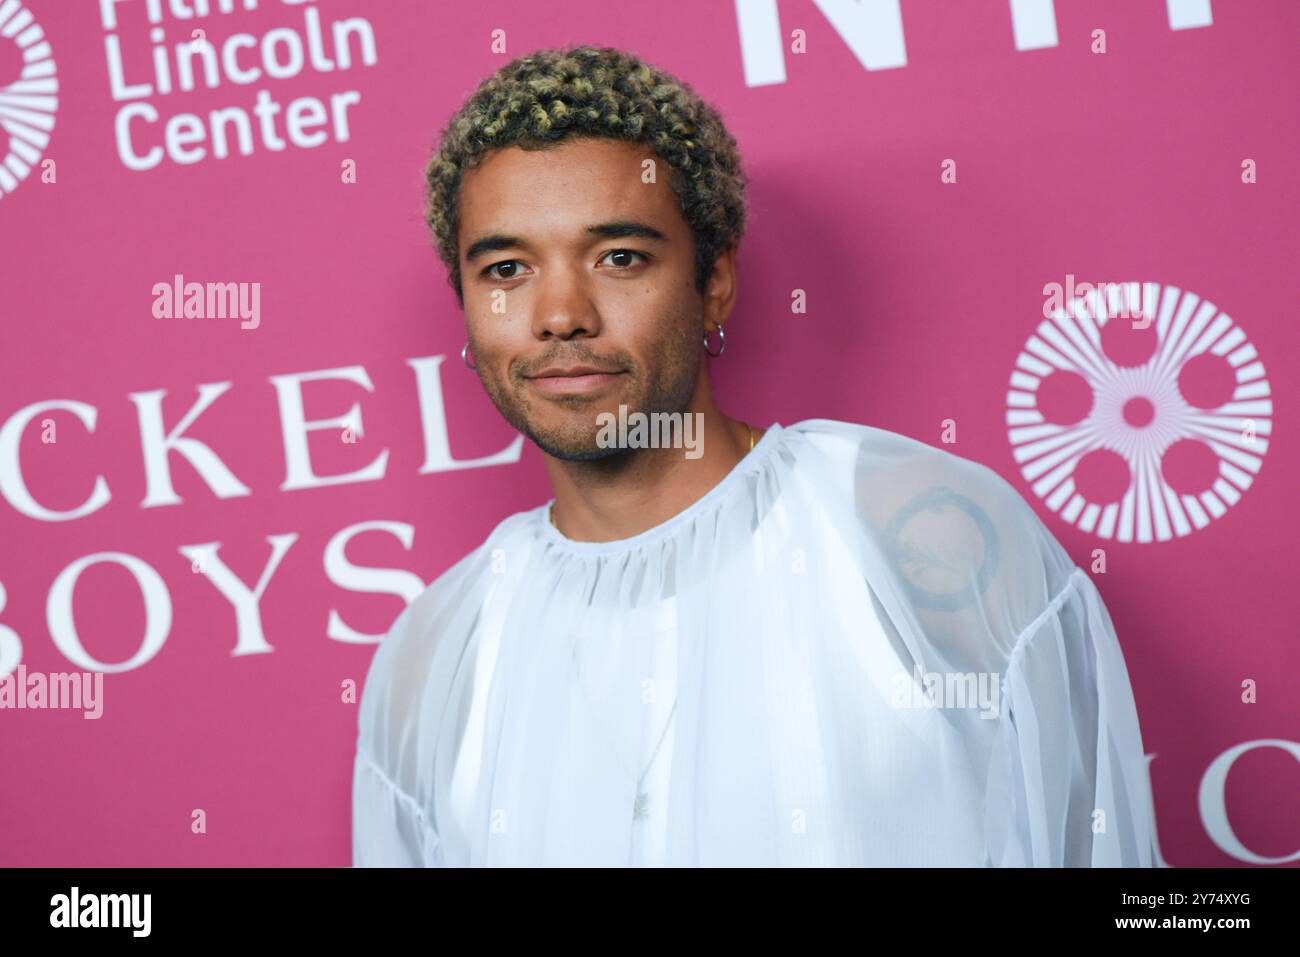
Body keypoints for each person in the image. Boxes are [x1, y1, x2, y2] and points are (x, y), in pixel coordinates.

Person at [351, 45, 1159, 867]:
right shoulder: (435, 657)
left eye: (620, 256)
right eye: (508, 268)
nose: (561, 314)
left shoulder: (914, 532)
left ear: (716, 282)